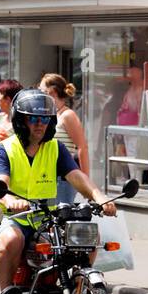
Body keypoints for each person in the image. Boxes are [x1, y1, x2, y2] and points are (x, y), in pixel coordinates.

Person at [0, 89, 117, 294]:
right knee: (12, 240)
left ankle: (76, 286)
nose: (40, 124)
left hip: (44, 218)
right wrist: (10, 200)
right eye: (34, 118)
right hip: (9, 217)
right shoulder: (4, 149)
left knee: (86, 235)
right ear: (21, 120)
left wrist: (100, 197)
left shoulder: (55, 148)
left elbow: (77, 176)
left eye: (45, 119)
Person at [39, 73, 88, 204]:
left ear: (52, 92)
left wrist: (85, 181)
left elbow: (82, 147)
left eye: (42, 91)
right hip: (46, 176)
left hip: (63, 177)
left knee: (60, 216)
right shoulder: (50, 114)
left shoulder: (67, 115)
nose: (40, 94)